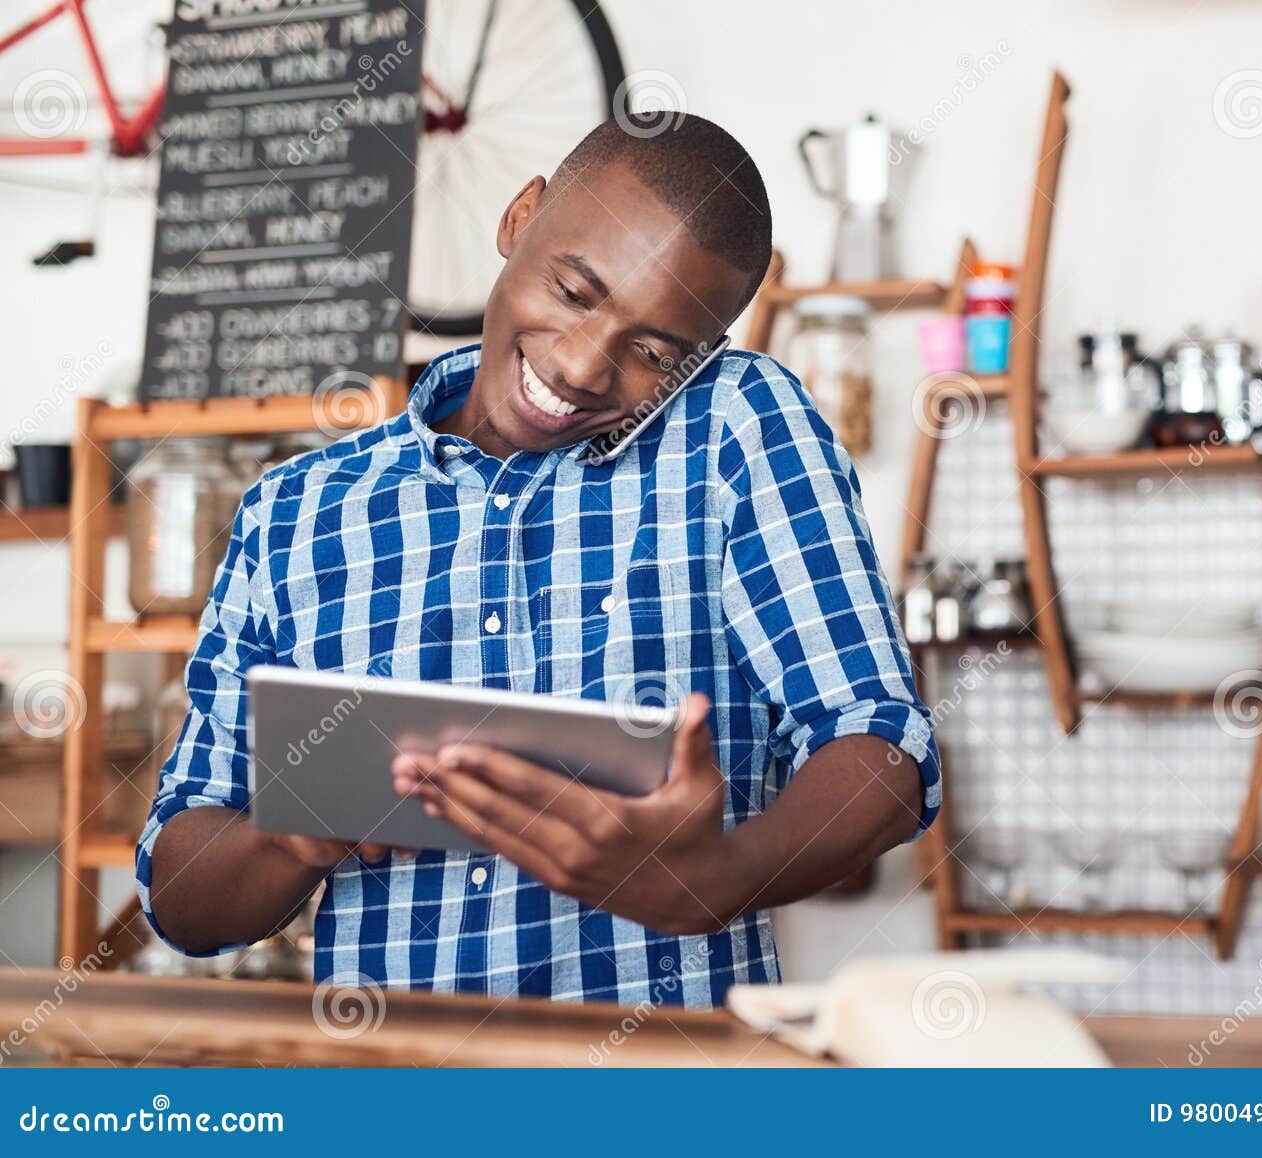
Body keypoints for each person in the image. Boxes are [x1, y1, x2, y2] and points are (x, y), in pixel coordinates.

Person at [138, 113, 940, 1007]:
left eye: (653, 353)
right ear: (520, 219)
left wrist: (721, 874)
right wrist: (293, 838)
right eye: (574, 291)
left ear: (700, 358)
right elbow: (180, 894)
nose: (583, 367)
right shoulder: (297, 509)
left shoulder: (734, 426)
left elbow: (878, 742)